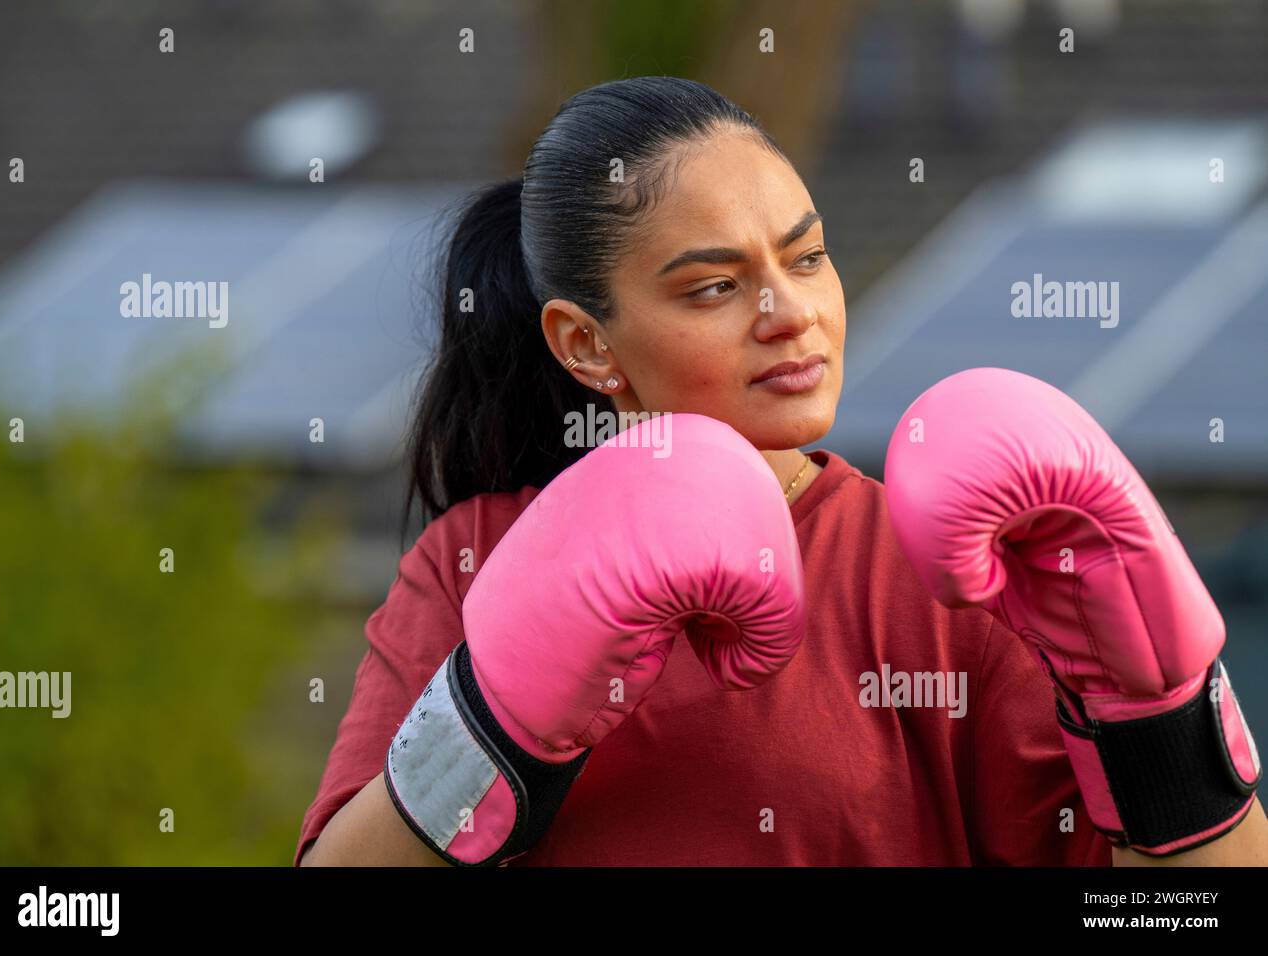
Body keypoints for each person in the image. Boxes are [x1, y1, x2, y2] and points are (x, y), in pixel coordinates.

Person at [296, 76, 1265, 866]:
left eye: (806, 259)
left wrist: (1157, 711)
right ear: (587, 344)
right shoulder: (472, 554)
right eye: (715, 286)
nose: (786, 311)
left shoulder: (951, 570)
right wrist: (493, 730)